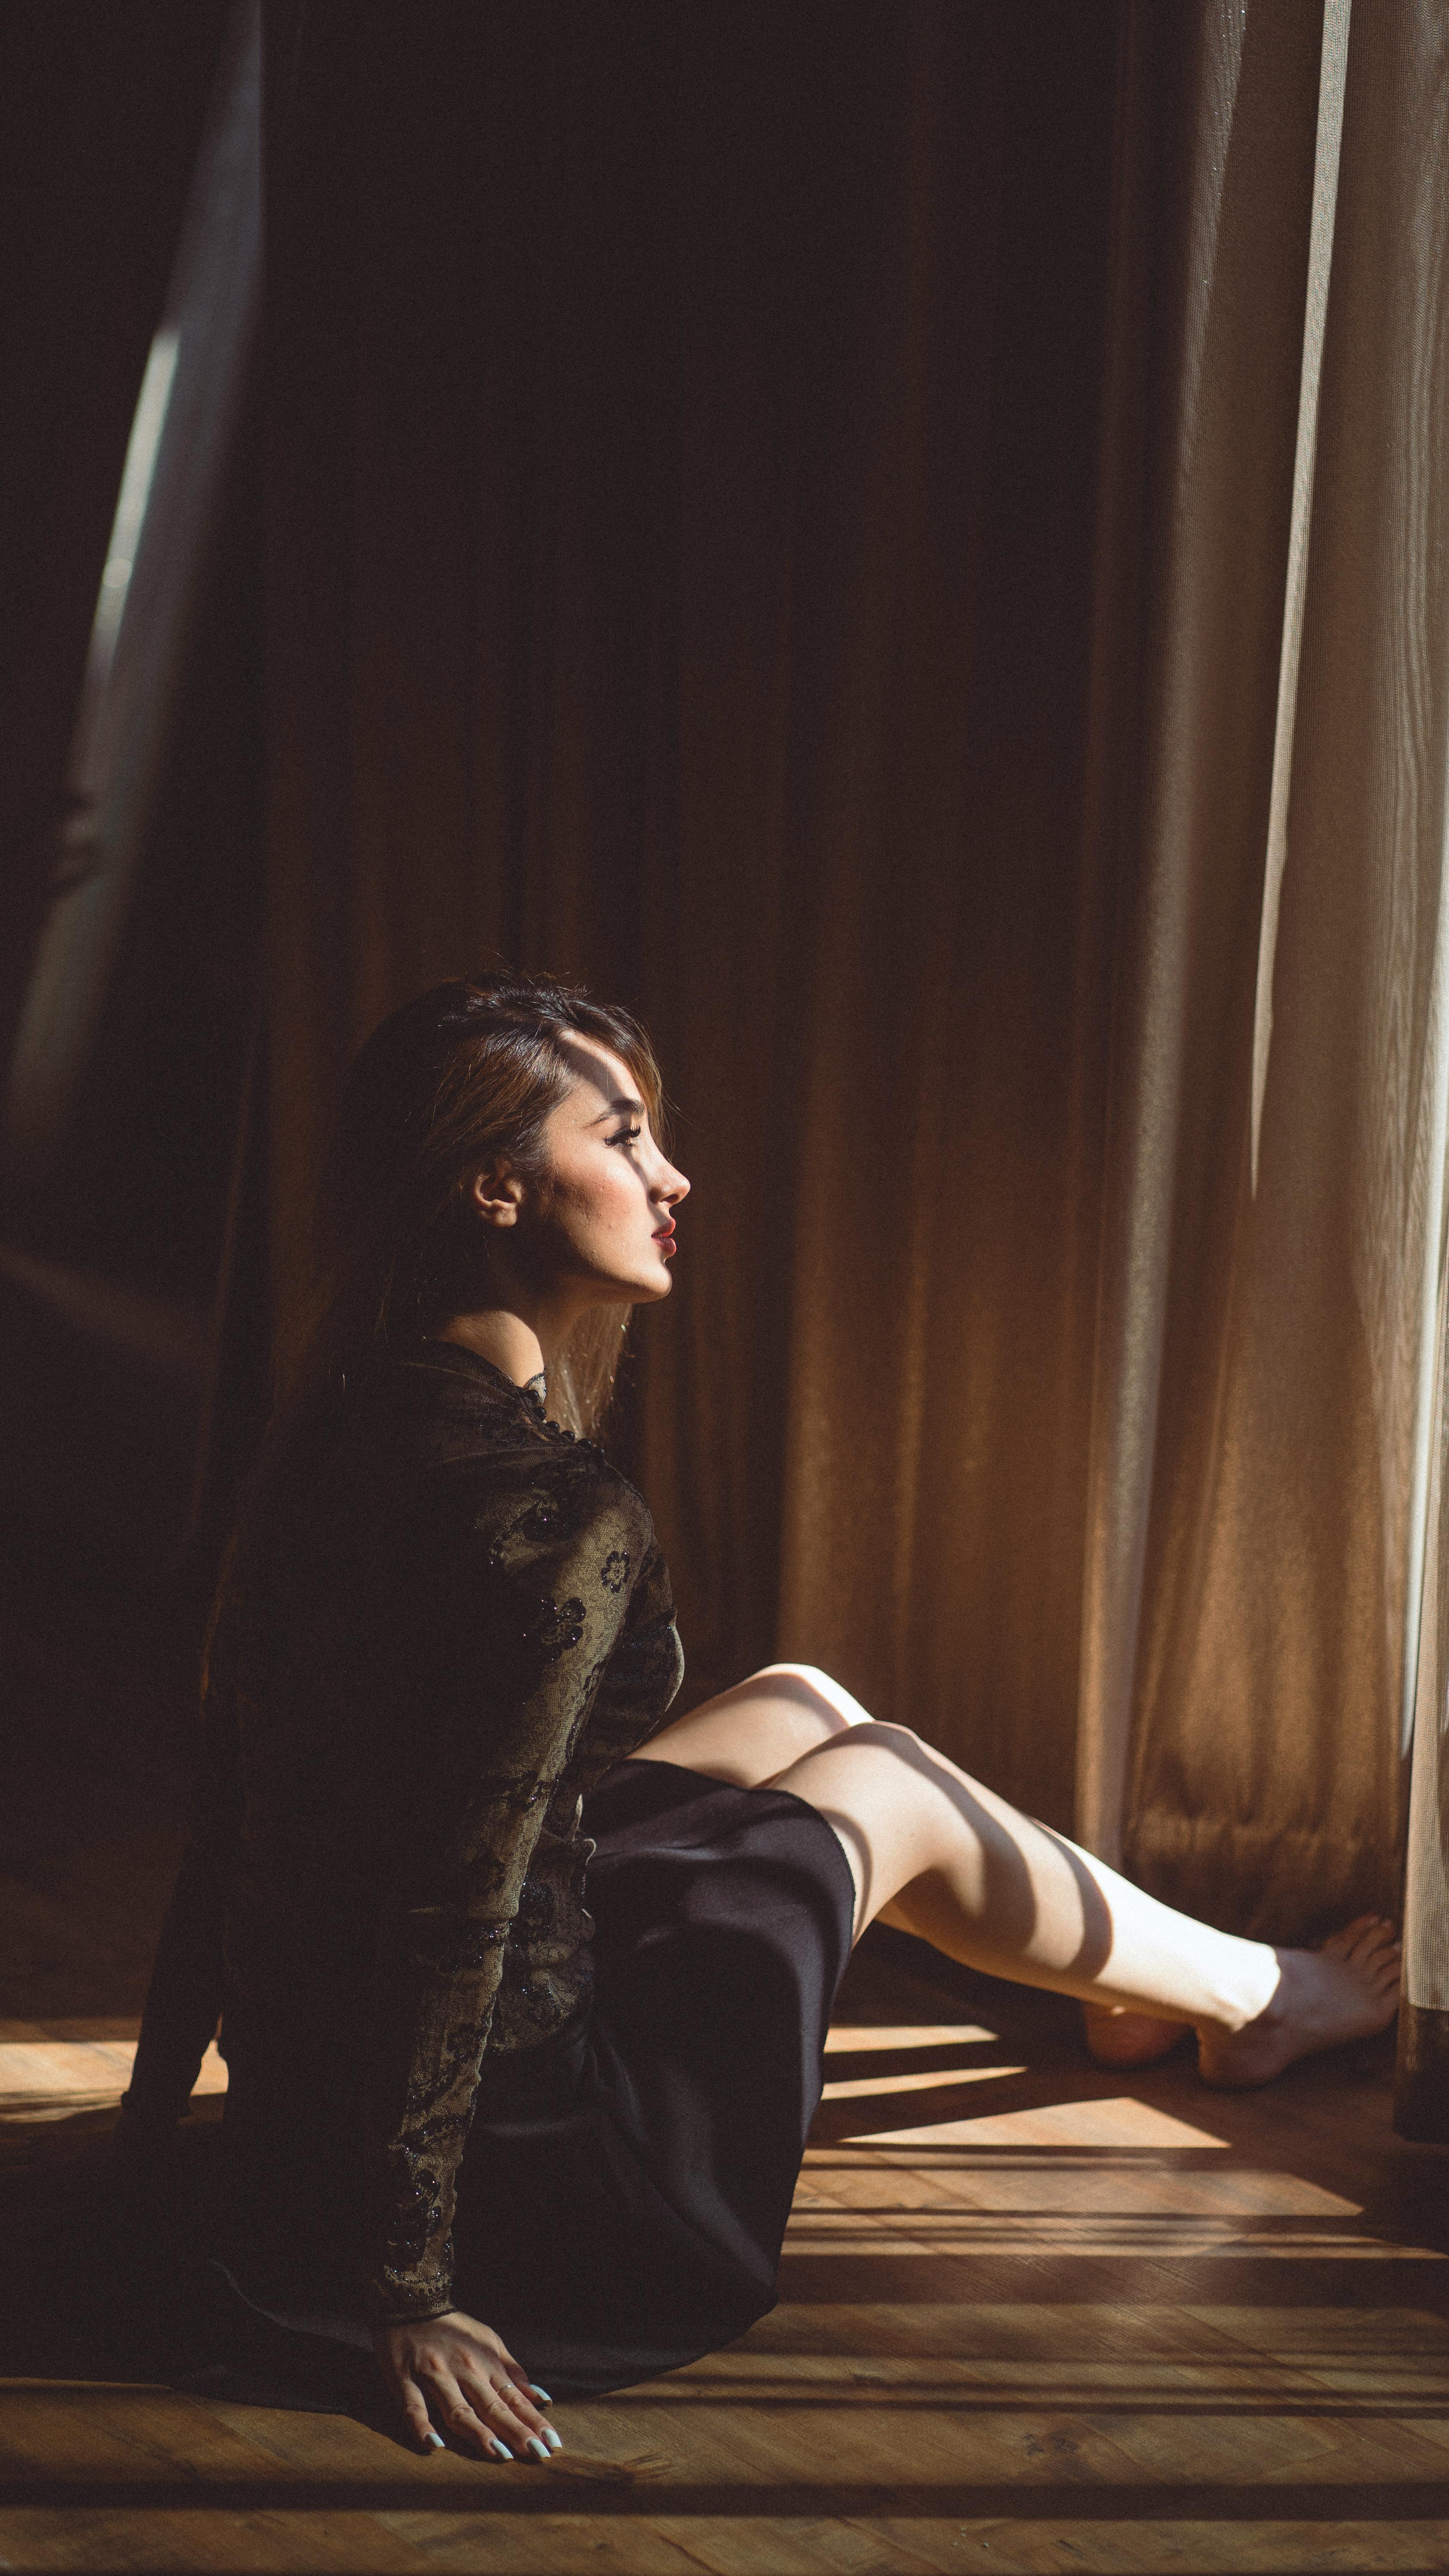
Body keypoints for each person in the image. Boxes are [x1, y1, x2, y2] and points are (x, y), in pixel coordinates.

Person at [121, 973, 1400, 2465]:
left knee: (803, 1701)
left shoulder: (333, 1420)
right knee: (893, 1782)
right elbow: (453, 1903)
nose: (675, 1178)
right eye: (630, 1139)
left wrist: (172, 2138)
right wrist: (405, 2291)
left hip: (325, 2104)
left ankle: (1152, 1984)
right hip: (536, 2165)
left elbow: (232, 1807)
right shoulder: (551, 1516)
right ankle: (1259, 1996)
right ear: (494, 1184)